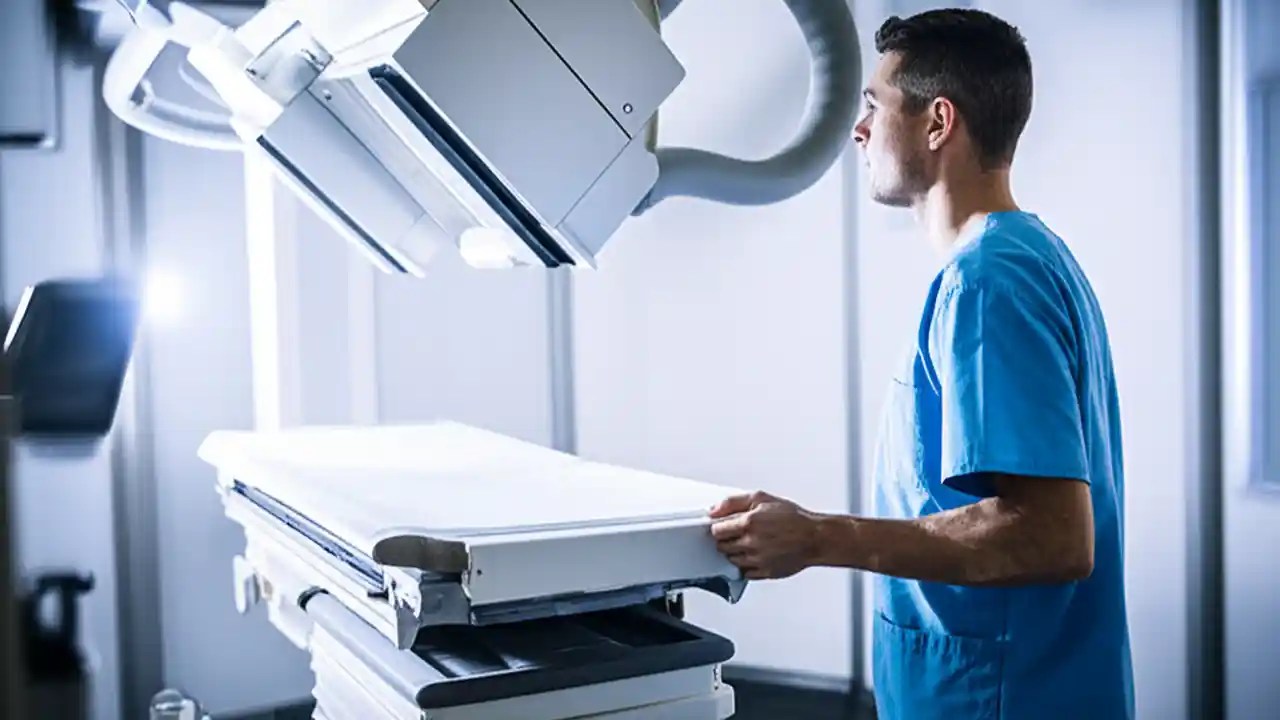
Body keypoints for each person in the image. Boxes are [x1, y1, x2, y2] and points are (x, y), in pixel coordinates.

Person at [708, 9, 1133, 720]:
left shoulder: (990, 280)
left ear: (938, 123)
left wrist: (815, 536)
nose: (859, 130)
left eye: (875, 106)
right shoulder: (1026, 260)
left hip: (1002, 699)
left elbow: (1053, 535)